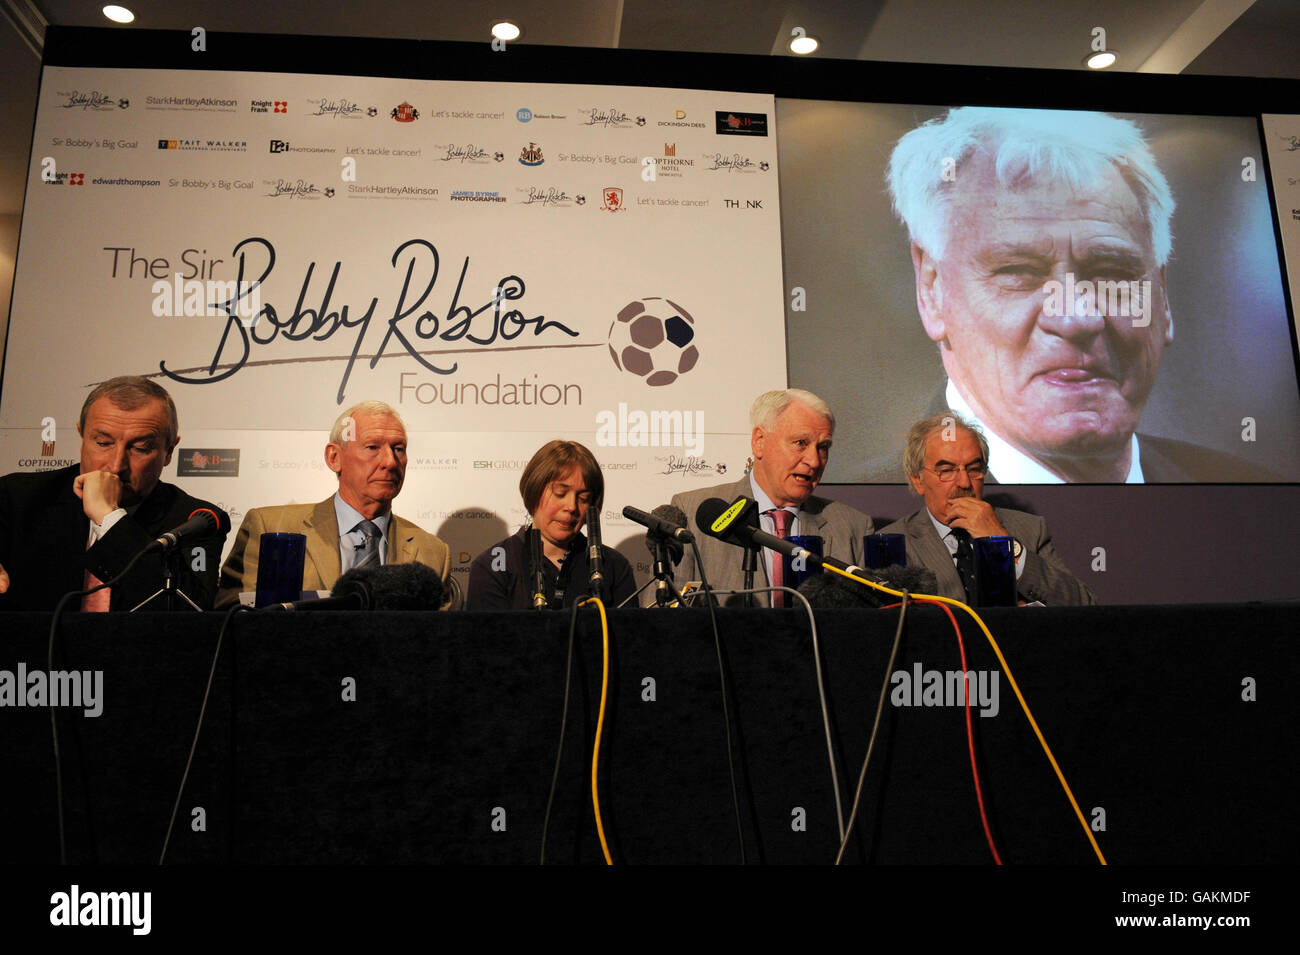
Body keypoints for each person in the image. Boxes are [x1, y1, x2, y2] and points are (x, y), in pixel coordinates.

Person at [877, 106, 1274, 483]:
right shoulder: (862, 526)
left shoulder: (1258, 502)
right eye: (1019, 272)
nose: (1076, 318)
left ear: (1162, 296)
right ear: (932, 289)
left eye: (1112, 273)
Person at [0, 376, 228, 611]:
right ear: (82, 435)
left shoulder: (198, 521)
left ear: (169, 451)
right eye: (103, 443)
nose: (117, 465)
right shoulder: (16, 498)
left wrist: (109, 518)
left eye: (140, 448)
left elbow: (190, 613)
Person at [216, 401, 450, 607]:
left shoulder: (433, 552)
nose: (390, 461)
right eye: (372, 447)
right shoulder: (269, 527)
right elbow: (232, 614)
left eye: (398, 449)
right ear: (334, 458)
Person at [672, 388, 875, 607]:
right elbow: (665, 621)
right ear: (759, 441)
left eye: (823, 447)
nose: (814, 461)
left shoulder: (853, 527)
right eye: (800, 443)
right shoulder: (691, 513)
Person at [879, 413, 1094, 606]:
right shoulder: (893, 541)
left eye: (974, 469)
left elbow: (1082, 605)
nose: (964, 483)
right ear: (918, 480)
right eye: (947, 470)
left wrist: (1001, 541)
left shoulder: (1029, 529)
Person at [466, 440, 636, 610]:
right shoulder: (492, 565)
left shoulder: (614, 566)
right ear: (534, 489)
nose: (571, 507)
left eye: (583, 498)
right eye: (560, 494)